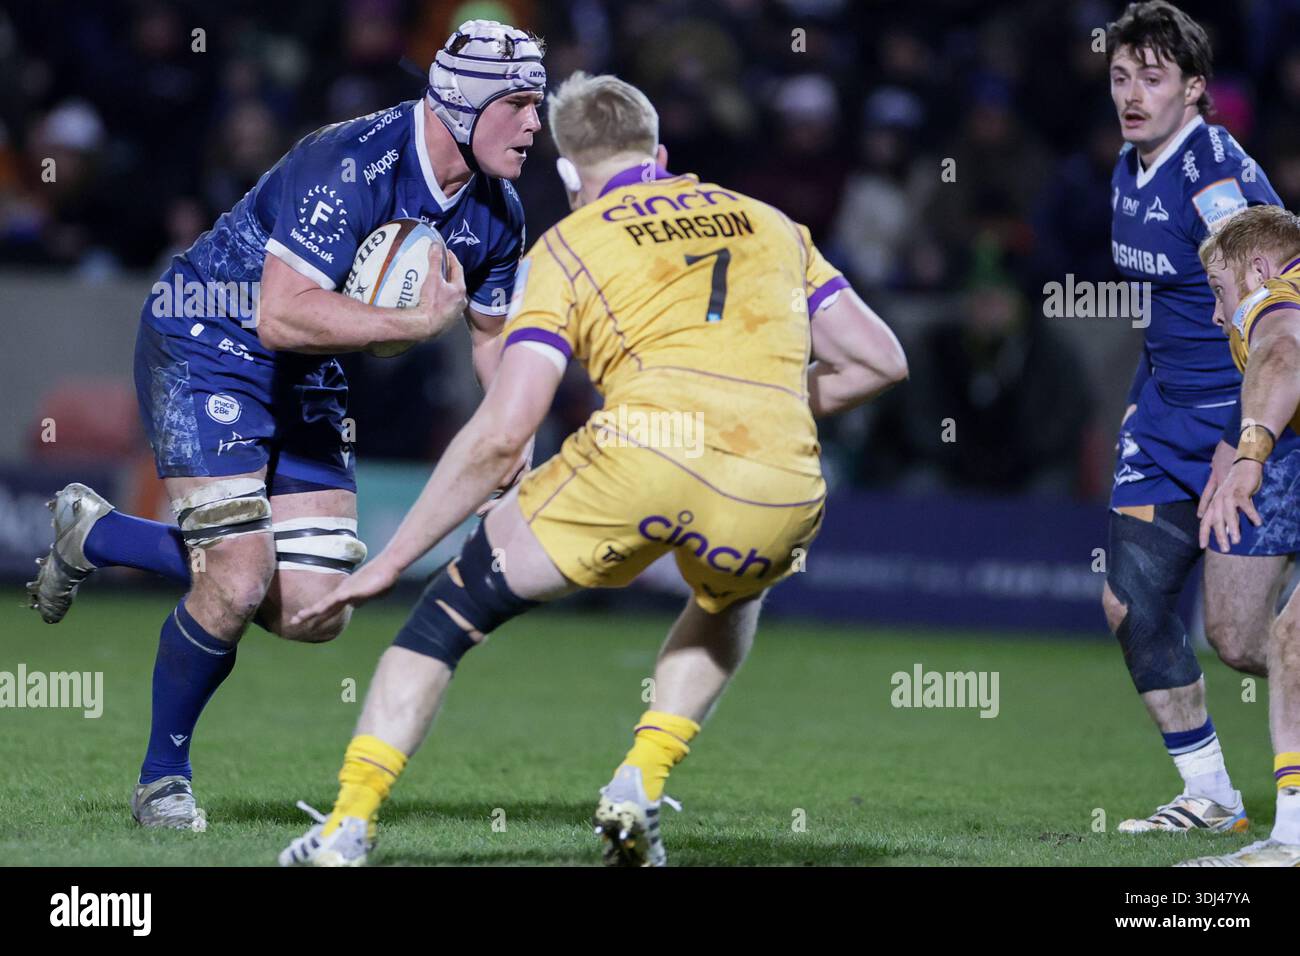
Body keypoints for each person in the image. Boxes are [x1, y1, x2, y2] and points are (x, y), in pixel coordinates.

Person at [277, 71, 908, 867]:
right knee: (729, 595)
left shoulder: (568, 246)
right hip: (777, 482)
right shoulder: (773, 223)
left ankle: (346, 830)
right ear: (662, 154)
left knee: (442, 621)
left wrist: (396, 559)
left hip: (637, 460)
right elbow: (882, 362)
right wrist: (758, 401)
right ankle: (639, 785)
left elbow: (506, 431)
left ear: (571, 176)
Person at [25, 20, 545, 831]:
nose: (534, 124)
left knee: (316, 610)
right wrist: (407, 327)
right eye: (516, 103)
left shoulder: (499, 214)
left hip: (309, 367)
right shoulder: (349, 163)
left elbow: (494, 345)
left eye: (537, 104)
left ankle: (95, 534)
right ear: (460, 103)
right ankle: (162, 781)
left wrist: (518, 453)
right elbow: (277, 313)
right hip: (209, 339)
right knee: (234, 574)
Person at [1101, 1, 1288, 834]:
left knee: (1243, 640)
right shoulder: (1126, 166)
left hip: (1239, 425)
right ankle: (1211, 794)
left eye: (1153, 77)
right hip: (1162, 419)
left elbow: (1274, 308)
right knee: (1129, 602)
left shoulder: (1214, 180)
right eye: (1120, 77)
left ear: (1195, 89)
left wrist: (1236, 444)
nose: (1133, 93)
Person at [1184, 204, 1300, 865]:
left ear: (1255, 268)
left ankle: (1291, 838)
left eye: (1217, 293)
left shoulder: (1274, 296)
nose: (1216, 314)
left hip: (1275, 452)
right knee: (1255, 636)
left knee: (1290, 636)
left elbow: (1281, 350)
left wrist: (1251, 455)